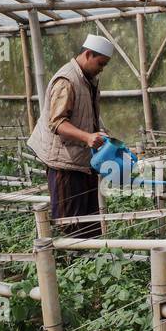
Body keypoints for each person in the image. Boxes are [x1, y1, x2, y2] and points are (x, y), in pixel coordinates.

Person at [26, 33, 114, 238]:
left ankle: (89, 260)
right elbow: (57, 123)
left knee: (89, 220)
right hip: (63, 162)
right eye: (101, 63)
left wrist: (100, 134)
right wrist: (87, 137)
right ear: (88, 54)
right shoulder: (66, 81)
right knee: (70, 222)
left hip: (83, 160)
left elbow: (85, 115)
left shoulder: (87, 80)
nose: (102, 69)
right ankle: (70, 263)